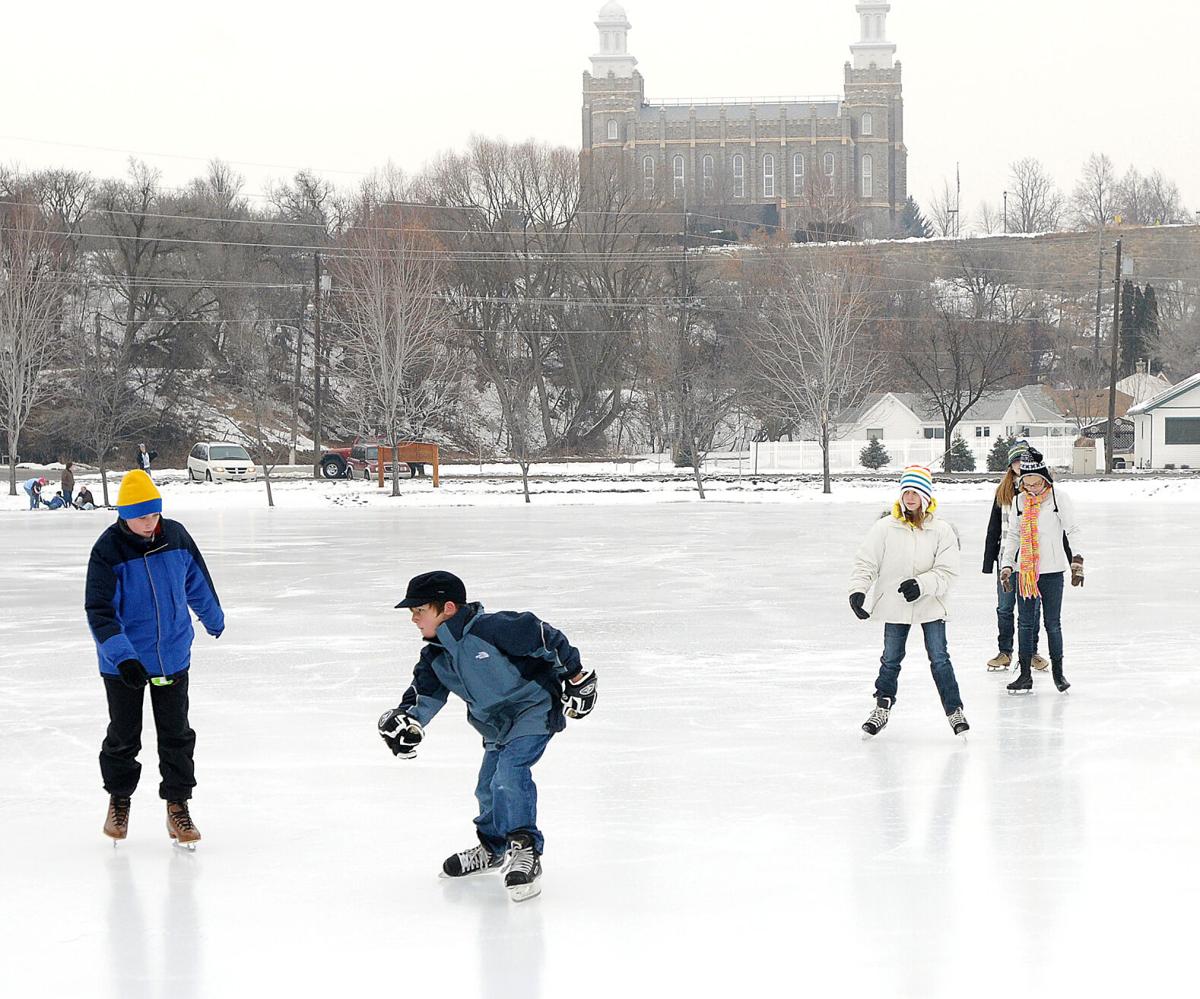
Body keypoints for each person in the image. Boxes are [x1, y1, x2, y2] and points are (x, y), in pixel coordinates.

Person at [377, 570, 596, 902]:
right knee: (487, 785)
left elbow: (544, 637)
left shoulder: (493, 629)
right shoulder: (437, 655)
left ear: (447, 607)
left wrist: (577, 677)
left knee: (509, 775)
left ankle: (525, 850)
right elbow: (425, 696)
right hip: (495, 725)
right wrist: (408, 722)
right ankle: (493, 848)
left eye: (419, 611)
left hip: (532, 708)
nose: (414, 619)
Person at [85, 469, 224, 847]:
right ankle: (119, 798)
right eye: (143, 516)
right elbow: (99, 611)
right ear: (124, 515)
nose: (151, 522)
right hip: (124, 666)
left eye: (155, 514)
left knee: (176, 734)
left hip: (172, 658)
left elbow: (196, 579)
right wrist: (124, 658)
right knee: (124, 735)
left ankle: (177, 806)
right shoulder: (107, 550)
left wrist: (213, 617)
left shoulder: (175, 536)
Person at [848, 466, 968, 738]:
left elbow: (948, 572)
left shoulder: (941, 530)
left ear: (926, 496)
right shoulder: (885, 527)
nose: (910, 497)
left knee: (939, 658)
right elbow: (866, 561)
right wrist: (858, 590)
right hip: (894, 604)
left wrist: (922, 585)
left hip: (931, 605)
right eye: (906, 492)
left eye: (915, 492)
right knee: (891, 658)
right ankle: (882, 706)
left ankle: (954, 710)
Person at [1000, 449, 1083, 695]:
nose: (1032, 488)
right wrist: (1007, 565)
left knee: (1052, 623)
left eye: (1036, 483)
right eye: (1027, 483)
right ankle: (1025, 674)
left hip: (1052, 572)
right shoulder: (1019, 501)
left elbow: (1073, 530)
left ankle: (1058, 673)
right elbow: (1013, 536)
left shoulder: (1058, 498)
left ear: (1045, 479)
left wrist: (1077, 561)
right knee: (1025, 624)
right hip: (1025, 573)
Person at [982, 441, 1049, 673]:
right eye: (1017, 461)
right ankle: (1005, 651)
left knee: (1031, 607)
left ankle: (1031, 652)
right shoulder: (1004, 492)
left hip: (1033, 559)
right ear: (1011, 465)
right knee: (1004, 606)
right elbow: (994, 527)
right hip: (1007, 560)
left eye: (1024, 460)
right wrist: (989, 561)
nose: (1021, 465)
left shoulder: (1039, 490)